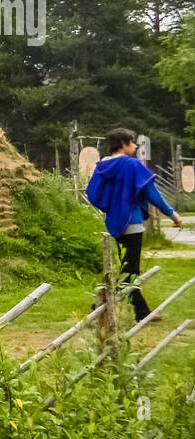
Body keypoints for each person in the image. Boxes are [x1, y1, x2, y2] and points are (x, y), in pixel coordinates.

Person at [86, 127, 183, 323]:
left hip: (115, 224)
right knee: (129, 273)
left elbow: (92, 193)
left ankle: (139, 311)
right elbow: (152, 194)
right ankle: (100, 310)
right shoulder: (132, 165)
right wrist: (173, 215)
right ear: (122, 143)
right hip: (132, 223)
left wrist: (111, 206)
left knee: (128, 270)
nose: (136, 145)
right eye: (132, 142)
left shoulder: (102, 166)